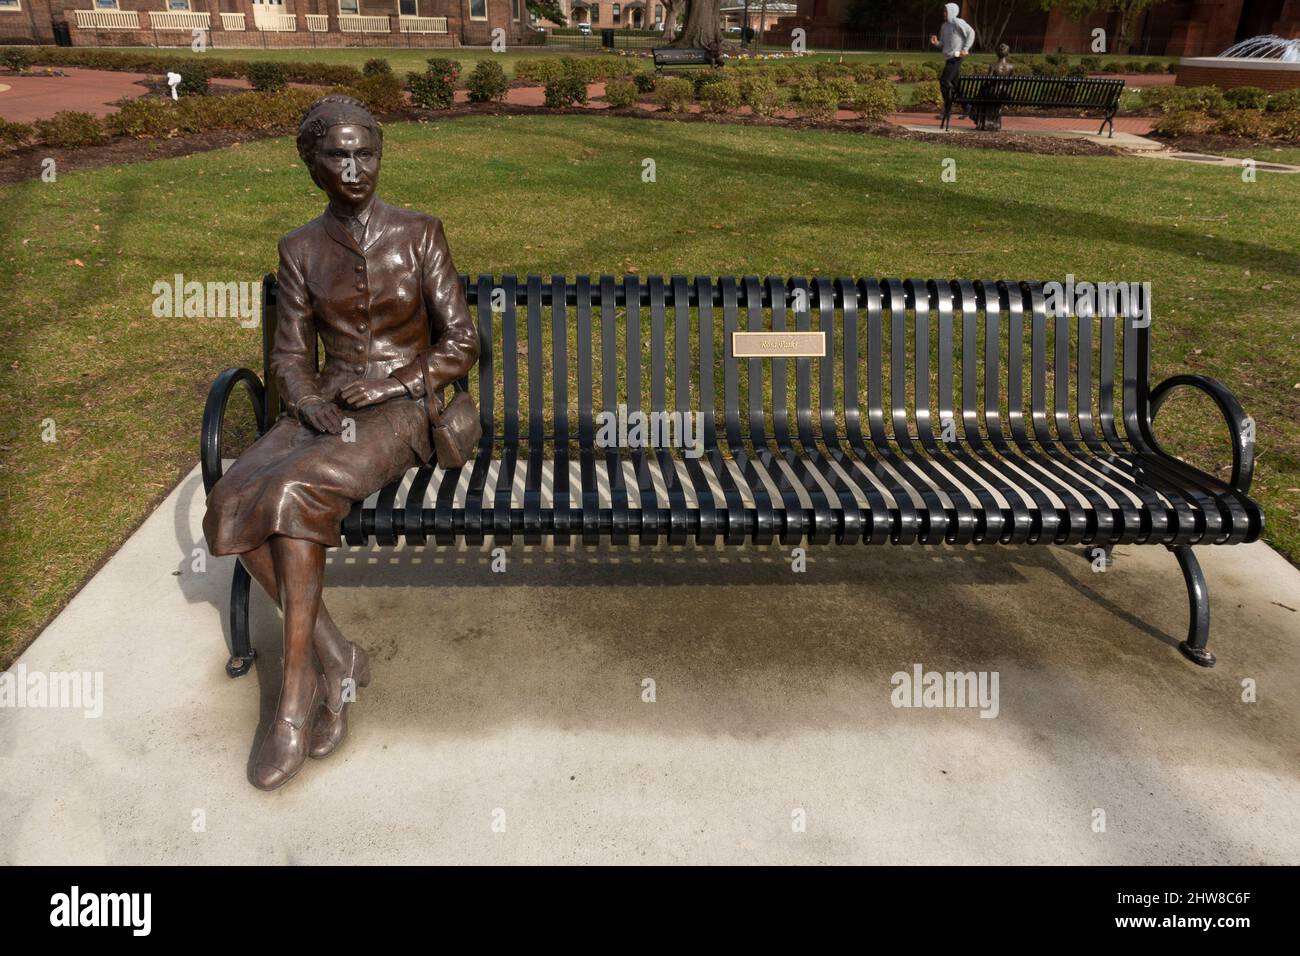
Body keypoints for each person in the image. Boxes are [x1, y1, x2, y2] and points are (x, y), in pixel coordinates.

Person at [203, 96, 480, 791]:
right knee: (232, 499)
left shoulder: (420, 233)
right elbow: (291, 355)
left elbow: (464, 342)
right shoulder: (299, 248)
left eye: (367, 153)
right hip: (323, 407)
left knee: (293, 491)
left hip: (405, 410)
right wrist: (305, 401)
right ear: (313, 164)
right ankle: (339, 655)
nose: (356, 168)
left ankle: (294, 700)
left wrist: (397, 384)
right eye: (340, 155)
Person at [930, 3, 976, 124]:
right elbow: (943, 44)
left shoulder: (958, 22)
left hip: (956, 57)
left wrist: (965, 49)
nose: (944, 13)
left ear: (952, 11)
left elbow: (971, 33)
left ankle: (947, 110)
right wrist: (936, 43)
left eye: (946, 11)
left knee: (944, 82)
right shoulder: (944, 26)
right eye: (944, 11)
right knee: (956, 85)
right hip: (949, 57)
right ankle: (968, 108)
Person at [974, 43, 1015, 131]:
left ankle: (984, 123)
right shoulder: (1011, 67)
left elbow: (988, 81)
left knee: (981, 97)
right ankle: (995, 124)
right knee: (988, 97)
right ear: (1008, 54)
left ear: (997, 53)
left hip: (992, 93)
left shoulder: (993, 66)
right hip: (1003, 94)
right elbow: (1010, 82)